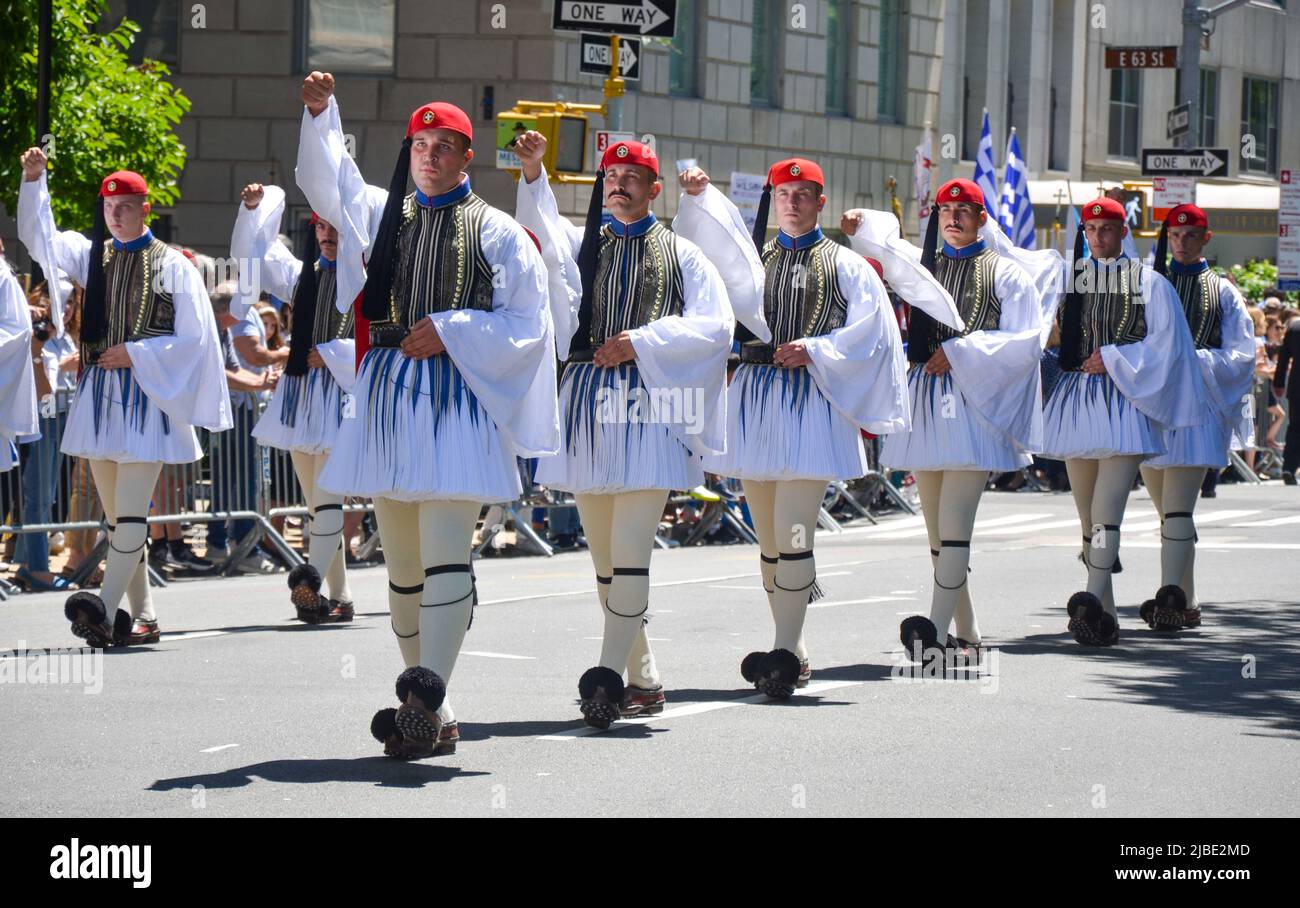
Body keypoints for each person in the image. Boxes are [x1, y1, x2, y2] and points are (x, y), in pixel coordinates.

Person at [297, 72, 558, 757]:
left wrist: (451, 328)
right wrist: (323, 115)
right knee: (402, 568)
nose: (431, 156)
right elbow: (332, 186)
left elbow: (529, 326)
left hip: (457, 405)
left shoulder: (499, 233)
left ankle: (422, 695)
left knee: (446, 558)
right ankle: (433, 710)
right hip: (388, 399)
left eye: (445, 146)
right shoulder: (386, 217)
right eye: (422, 144)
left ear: (467, 156)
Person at [514, 131, 740, 725]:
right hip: (588, 406)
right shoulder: (585, 244)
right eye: (610, 178)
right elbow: (541, 241)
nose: (618, 185)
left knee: (632, 556)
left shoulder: (683, 256)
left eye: (631, 178)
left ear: (654, 188)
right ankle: (644, 678)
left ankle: (607, 680)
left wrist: (641, 341)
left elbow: (716, 329)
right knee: (606, 564)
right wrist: (535, 172)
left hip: (647, 409)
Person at [674, 158, 913, 698]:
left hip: (811, 403)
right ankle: (795, 647)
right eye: (785, 193)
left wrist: (817, 349)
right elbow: (709, 263)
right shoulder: (756, 257)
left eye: (804, 194)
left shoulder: (845, 265)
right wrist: (698, 198)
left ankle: (783, 648)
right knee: (769, 539)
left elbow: (872, 334)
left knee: (796, 531)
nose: (793, 202)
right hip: (757, 398)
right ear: (774, 198)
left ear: (820, 202)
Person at [18, 149, 231, 647]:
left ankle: (102, 609)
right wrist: (34, 181)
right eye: (109, 207)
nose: (115, 214)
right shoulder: (95, 256)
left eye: (126, 206)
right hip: (99, 399)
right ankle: (146, 617)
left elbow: (195, 337)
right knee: (118, 519)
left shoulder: (171, 266)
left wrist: (136, 354)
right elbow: (40, 238)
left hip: (148, 397)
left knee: (132, 513)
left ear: (145, 208)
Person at [844, 178, 1054, 660]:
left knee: (955, 525)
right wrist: (863, 225)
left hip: (974, 407)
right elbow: (889, 249)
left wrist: (960, 353)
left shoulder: (1007, 274)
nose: (954, 218)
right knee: (937, 529)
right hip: (927, 403)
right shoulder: (925, 267)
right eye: (945, 210)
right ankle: (970, 633)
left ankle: (935, 632)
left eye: (964, 210)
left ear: (983, 219)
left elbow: (1025, 344)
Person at [1040, 197, 1204, 646]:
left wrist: (1112, 357)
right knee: (1086, 515)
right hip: (1076, 404)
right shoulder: (1071, 283)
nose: (1097, 238)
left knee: (1107, 510)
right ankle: (1105, 614)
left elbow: (1165, 347)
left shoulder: (1150, 284)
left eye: (1106, 229)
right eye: (1090, 230)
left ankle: (1091, 599)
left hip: (1123, 403)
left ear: (1122, 231)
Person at [233, 183, 356, 622]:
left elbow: (380, 335)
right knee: (318, 503)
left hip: (343, 397)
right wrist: (253, 210)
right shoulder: (300, 274)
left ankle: (309, 580)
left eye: (336, 229)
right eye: (322, 227)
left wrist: (336, 352)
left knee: (327, 501)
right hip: (303, 396)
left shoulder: (365, 276)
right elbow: (257, 252)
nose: (327, 235)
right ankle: (339, 598)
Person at [1137, 205, 1255, 629]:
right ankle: (1188, 598)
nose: (1182, 243)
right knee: (1168, 517)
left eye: (1191, 236)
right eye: (1175, 237)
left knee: (1180, 511)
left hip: (1198, 411)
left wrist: (1192, 361)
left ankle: (1169, 599)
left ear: (1206, 238)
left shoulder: (1222, 291)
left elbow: (1242, 356)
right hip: (1154, 410)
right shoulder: (1150, 285)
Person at [1274, 308, 1300, 485]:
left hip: (1297, 386)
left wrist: (1278, 383)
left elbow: (1283, 358)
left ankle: (1288, 467)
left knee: (1295, 427)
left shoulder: (1294, 328)